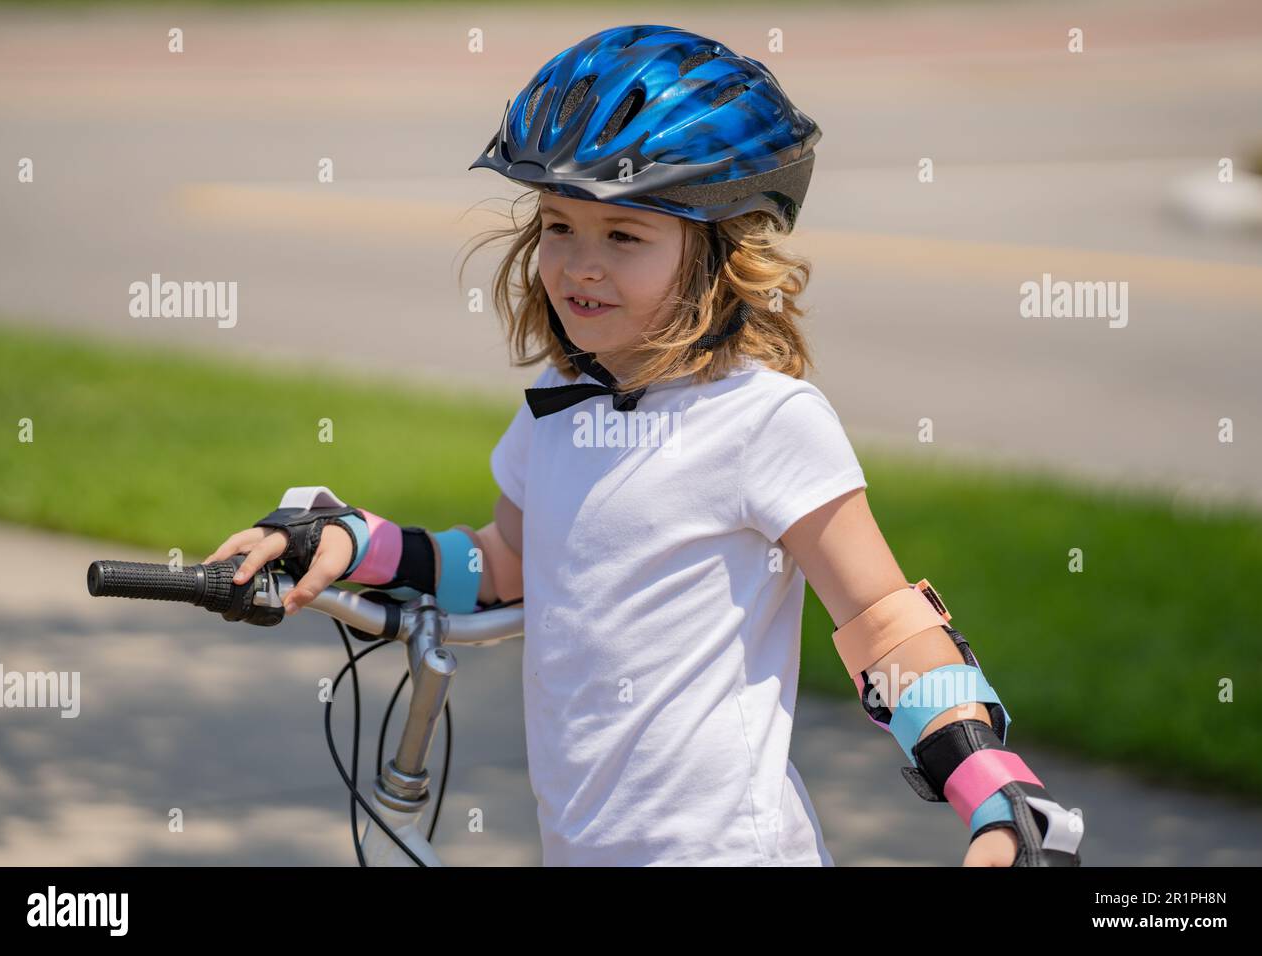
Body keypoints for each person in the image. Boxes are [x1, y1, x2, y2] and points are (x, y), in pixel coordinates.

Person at [204, 25, 1083, 867]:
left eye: (624, 235)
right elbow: (507, 563)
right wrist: (353, 541)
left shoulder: (764, 421)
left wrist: (995, 791)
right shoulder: (556, 403)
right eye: (559, 226)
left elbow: (883, 624)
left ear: (710, 254)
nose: (581, 265)